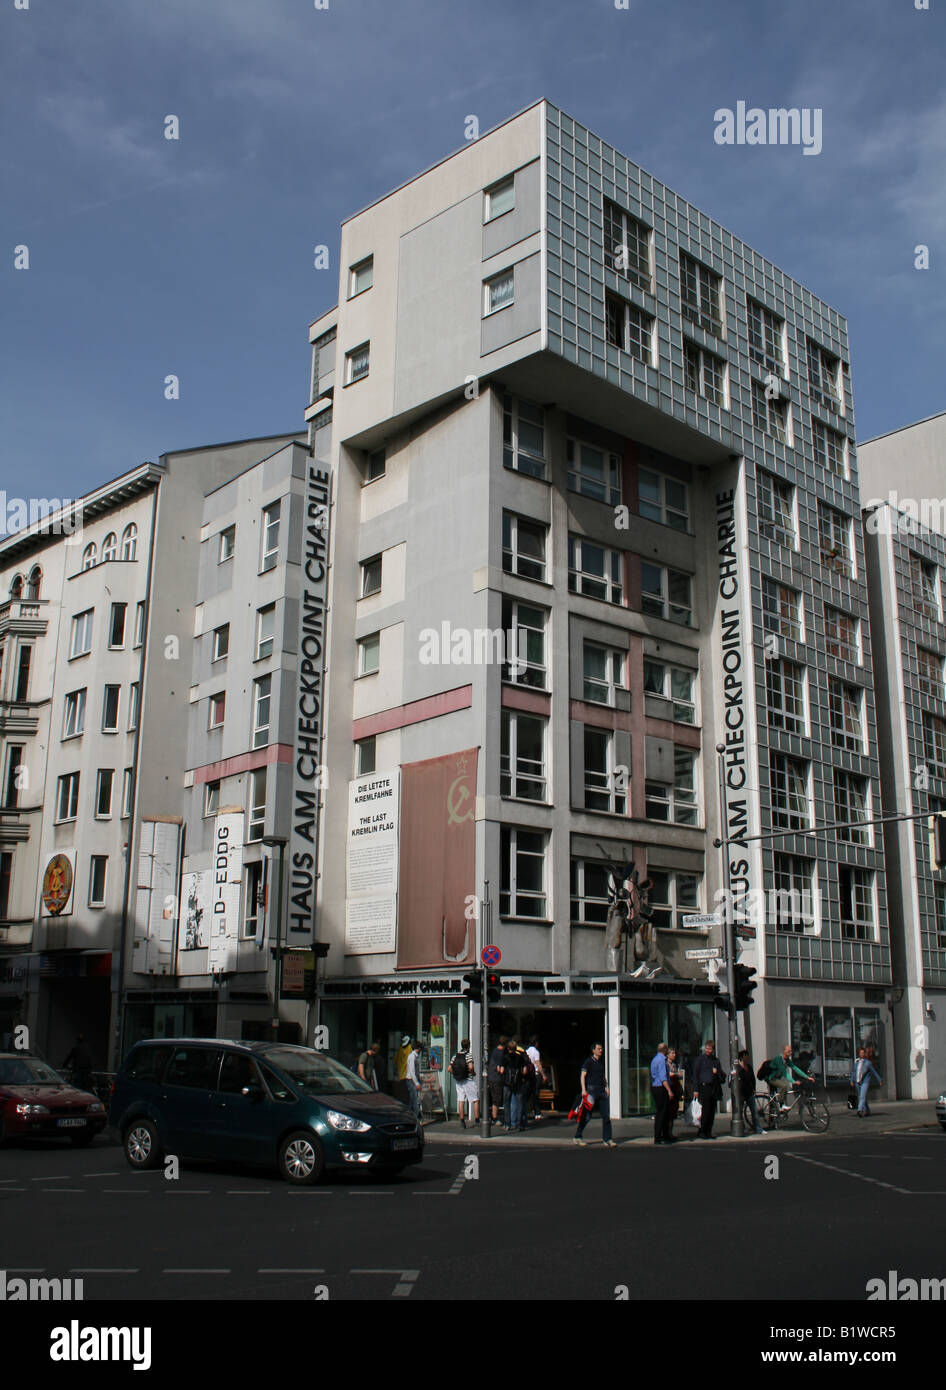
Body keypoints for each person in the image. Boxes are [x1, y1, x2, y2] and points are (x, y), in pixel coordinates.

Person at [574, 1042, 616, 1147]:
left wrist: (606, 1086)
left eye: (601, 1049)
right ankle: (577, 1136)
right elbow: (582, 1076)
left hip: (601, 1090)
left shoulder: (601, 1062)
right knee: (587, 1116)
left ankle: (608, 1139)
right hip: (591, 1090)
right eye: (599, 1049)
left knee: (606, 1115)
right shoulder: (588, 1062)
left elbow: (602, 1076)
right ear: (593, 1050)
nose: (601, 1050)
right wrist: (584, 1090)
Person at [691, 1039, 723, 1139]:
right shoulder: (700, 1059)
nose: (708, 1051)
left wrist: (716, 1072)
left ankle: (708, 1130)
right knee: (705, 1110)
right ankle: (702, 1131)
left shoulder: (716, 1060)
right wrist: (696, 1089)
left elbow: (722, 1076)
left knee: (712, 1110)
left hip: (713, 1087)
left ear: (713, 1050)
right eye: (707, 1049)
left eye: (710, 1049)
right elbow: (695, 1075)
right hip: (704, 1087)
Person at [768, 1043, 813, 1112]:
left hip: (776, 1078)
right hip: (771, 1078)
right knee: (784, 1086)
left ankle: (778, 1114)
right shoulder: (779, 1059)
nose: (791, 1052)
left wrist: (807, 1077)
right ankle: (781, 1106)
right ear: (784, 1051)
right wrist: (793, 1081)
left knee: (779, 1094)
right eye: (789, 1051)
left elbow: (795, 1068)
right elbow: (785, 1073)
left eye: (791, 1051)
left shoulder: (787, 1060)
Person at [735, 1049, 765, 1134]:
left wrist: (753, 1088)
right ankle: (743, 1128)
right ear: (742, 1057)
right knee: (740, 1112)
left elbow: (752, 1078)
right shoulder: (738, 1068)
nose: (747, 1057)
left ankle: (757, 1128)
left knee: (754, 1111)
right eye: (746, 1056)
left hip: (749, 1092)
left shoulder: (749, 1067)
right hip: (741, 1093)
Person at [650, 1042, 674, 1145]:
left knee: (663, 1112)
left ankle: (665, 1135)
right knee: (662, 1113)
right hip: (661, 1087)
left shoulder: (655, 1059)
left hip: (655, 1086)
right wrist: (669, 1090)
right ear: (665, 1050)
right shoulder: (661, 1061)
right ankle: (659, 1137)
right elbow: (663, 1077)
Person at [503, 1036, 529, 1132]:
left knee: (507, 1103)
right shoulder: (521, 1058)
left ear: (508, 1048)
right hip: (518, 1082)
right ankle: (519, 1124)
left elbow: (501, 1070)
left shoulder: (505, 1057)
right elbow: (525, 1071)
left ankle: (507, 1123)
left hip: (507, 1082)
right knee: (520, 1103)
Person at [453, 1037, 479, 1128]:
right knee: (475, 1100)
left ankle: (462, 1121)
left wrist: (458, 1073)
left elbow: (449, 1068)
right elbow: (471, 1067)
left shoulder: (455, 1056)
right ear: (468, 1046)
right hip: (468, 1080)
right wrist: (473, 1073)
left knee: (461, 1100)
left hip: (458, 1080)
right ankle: (477, 1120)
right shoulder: (468, 1055)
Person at [851, 1047, 882, 1117]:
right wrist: (852, 1080)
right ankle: (867, 1110)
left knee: (862, 1096)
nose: (862, 1054)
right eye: (860, 1053)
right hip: (857, 1081)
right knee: (862, 1096)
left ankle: (859, 1110)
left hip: (865, 1082)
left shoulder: (868, 1063)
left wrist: (879, 1080)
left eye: (863, 1053)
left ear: (864, 1054)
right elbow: (854, 1072)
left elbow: (874, 1072)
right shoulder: (857, 1062)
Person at [487, 1035, 507, 1126]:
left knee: (494, 1097)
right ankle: (494, 1117)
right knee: (497, 1099)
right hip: (497, 1078)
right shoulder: (501, 1054)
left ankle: (493, 1116)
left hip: (491, 1077)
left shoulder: (495, 1051)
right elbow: (500, 1069)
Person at [526, 1035, 545, 1121]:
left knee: (528, 1093)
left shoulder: (527, 1051)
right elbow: (538, 1064)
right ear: (536, 1043)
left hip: (528, 1074)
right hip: (536, 1074)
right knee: (536, 1094)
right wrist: (543, 1074)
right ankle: (537, 1112)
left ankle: (526, 1111)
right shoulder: (536, 1052)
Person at [667, 1047, 685, 1138]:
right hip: (669, 1089)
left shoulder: (674, 1065)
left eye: (674, 1053)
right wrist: (675, 1074)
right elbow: (669, 1075)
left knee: (673, 1112)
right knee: (668, 1112)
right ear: (668, 1054)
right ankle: (667, 1133)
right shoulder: (666, 1064)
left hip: (675, 1089)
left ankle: (670, 1132)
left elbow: (679, 1074)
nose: (674, 1055)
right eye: (672, 1053)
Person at [405, 1039, 423, 1119]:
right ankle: (415, 1117)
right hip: (411, 1080)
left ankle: (410, 1116)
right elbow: (412, 1071)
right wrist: (417, 1083)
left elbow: (416, 1070)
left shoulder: (414, 1056)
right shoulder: (412, 1057)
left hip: (412, 1080)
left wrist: (419, 1077)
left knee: (412, 1100)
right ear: (418, 1048)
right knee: (415, 1100)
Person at [393, 1034, 412, 1104]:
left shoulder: (400, 1049)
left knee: (401, 1094)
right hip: (407, 1075)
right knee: (406, 1095)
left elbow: (395, 1060)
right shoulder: (409, 1048)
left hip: (400, 1075)